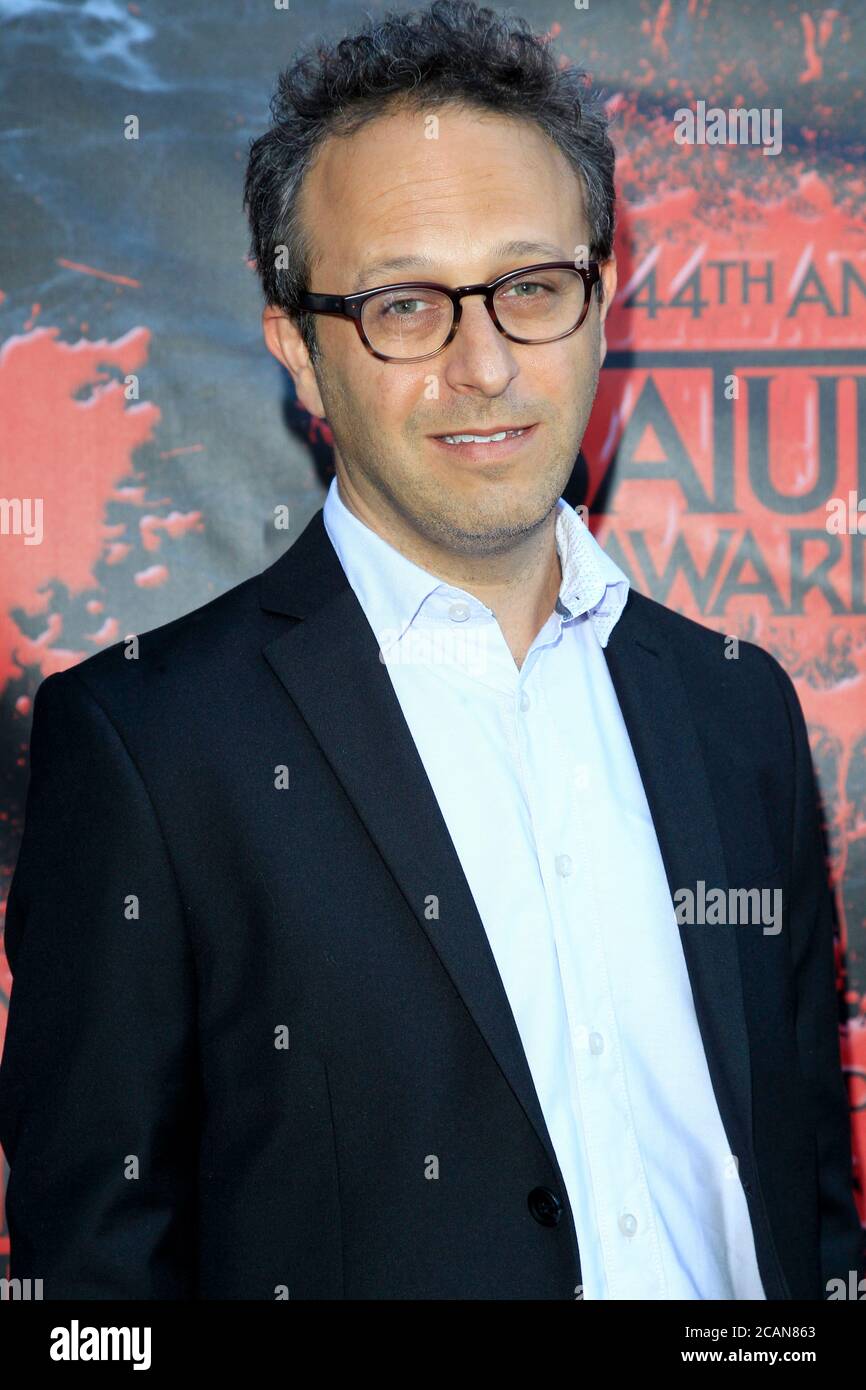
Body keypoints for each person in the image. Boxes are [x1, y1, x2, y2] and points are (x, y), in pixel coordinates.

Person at [0, 0, 861, 1300]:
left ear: (598, 297)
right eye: (403, 303)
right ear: (297, 345)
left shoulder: (736, 707)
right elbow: (95, 1295)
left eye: (528, 286)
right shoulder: (146, 748)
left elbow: (804, 1200)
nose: (481, 364)